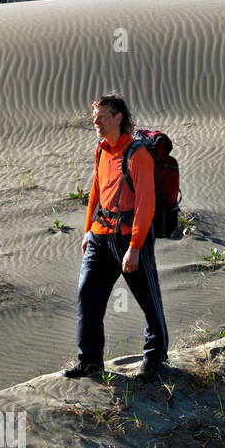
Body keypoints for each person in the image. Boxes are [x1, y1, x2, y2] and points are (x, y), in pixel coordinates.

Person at [63, 93, 169, 382]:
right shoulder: (101, 149)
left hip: (129, 241)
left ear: (118, 117)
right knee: (88, 296)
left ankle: (155, 361)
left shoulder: (138, 155)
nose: (95, 120)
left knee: (149, 302)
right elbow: (95, 192)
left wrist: (135, 247)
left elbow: (146, 204)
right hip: (100, 237)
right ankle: (90, 363)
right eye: (94, 115)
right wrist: (88, 230)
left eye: (101, 116)